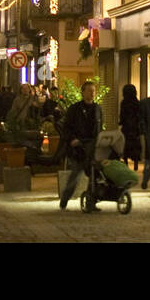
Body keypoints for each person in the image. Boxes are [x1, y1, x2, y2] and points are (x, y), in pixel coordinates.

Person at [58, 80, 103, 210]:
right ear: (83, 93)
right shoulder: (75, 109)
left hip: (93, 147)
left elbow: (100, 128)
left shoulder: (97, 109)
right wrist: (72, 140)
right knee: (75, 176)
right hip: (78, 148)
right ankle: (65, 199)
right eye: (89, 90)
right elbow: (67, 127)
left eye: (93, 90)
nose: (92, 93)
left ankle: (91, 202)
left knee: (94, 176)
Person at [119, 84, 142, 169]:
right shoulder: (137, 102)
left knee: (125, 145)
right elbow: (139, 115)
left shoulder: (124, 103)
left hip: (126, 127)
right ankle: (136, 162)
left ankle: (125, 162)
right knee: (135, 145)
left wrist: (121, 122)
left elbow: (122, 115)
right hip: (135, 127)